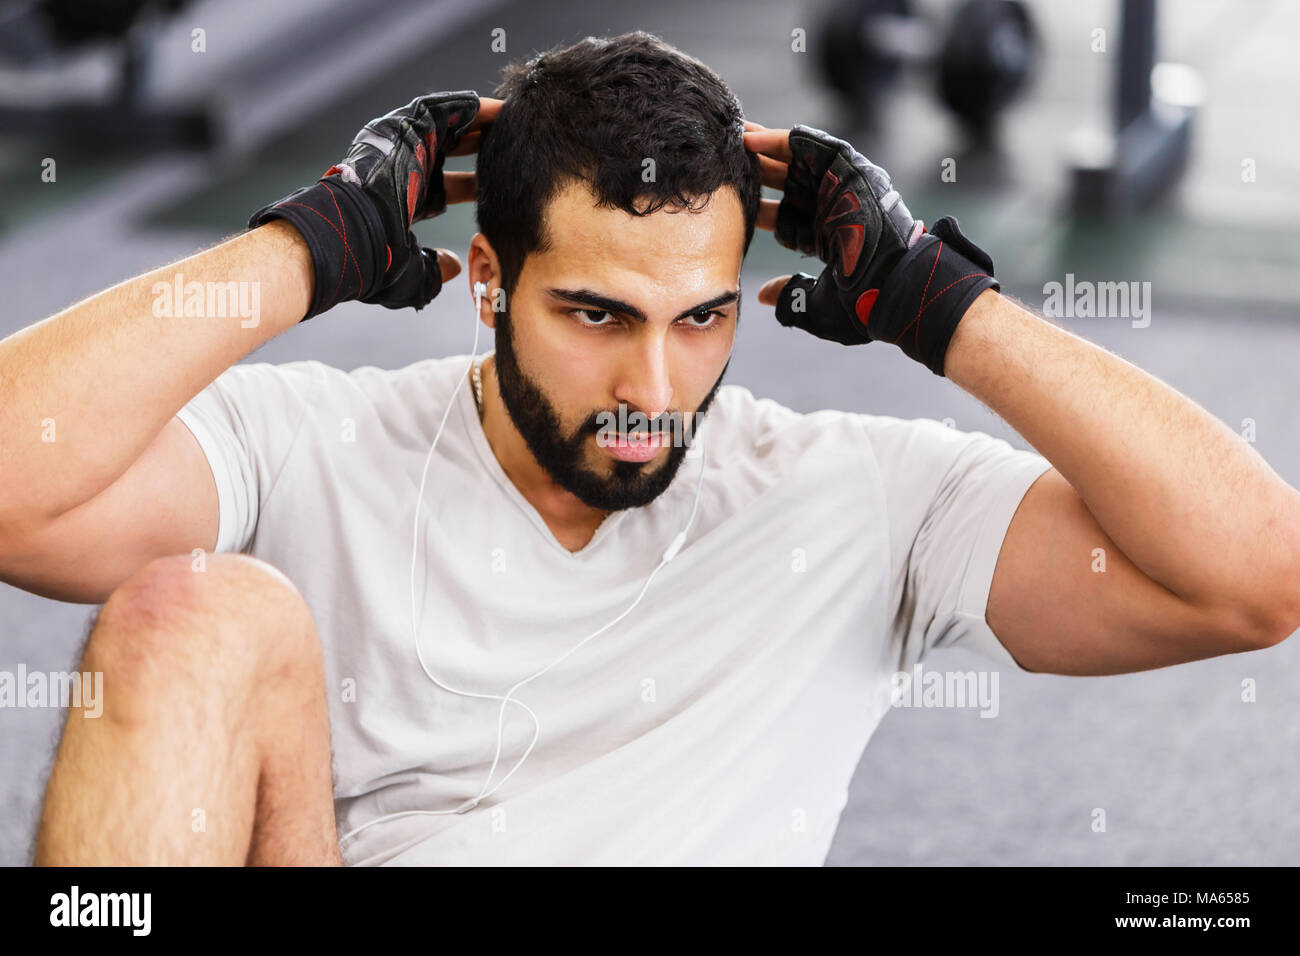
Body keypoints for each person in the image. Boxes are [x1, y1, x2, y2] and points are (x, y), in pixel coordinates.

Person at [6, 30, 1298, 866]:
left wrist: (937, 299)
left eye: (701, 319)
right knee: (186, 616)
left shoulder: (860, 497)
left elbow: (1254, 576)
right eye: (595, 315)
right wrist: (312, 243)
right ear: (490, 282)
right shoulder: (315, 444)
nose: (652, 385)